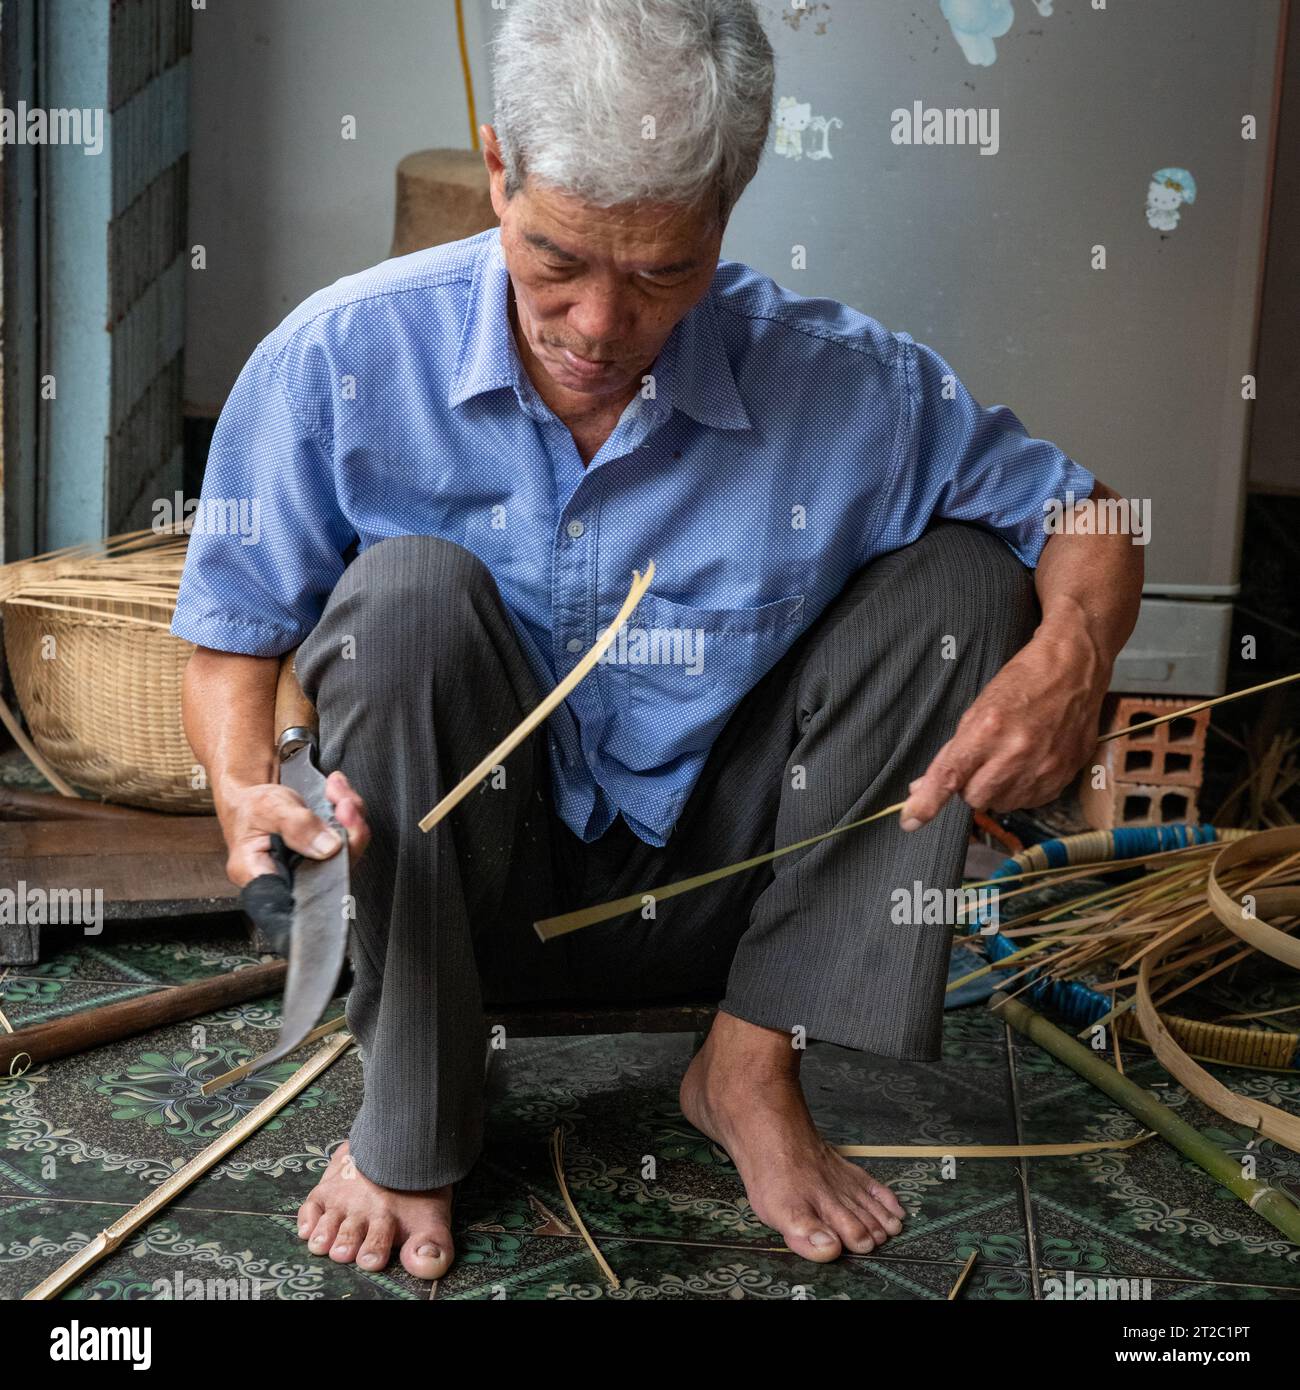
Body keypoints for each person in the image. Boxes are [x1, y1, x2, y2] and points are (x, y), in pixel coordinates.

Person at [173, 0, 1142, 1279]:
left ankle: (748, 1065)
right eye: (556, 259)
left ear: (724, 219)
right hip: (453, 892)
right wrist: (245, 790)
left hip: (720, 893)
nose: (594, 325)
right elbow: (230, 644)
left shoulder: (841, 385)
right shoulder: (339, 358)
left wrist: (1069, 655)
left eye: (659, 273)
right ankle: (411, 1111)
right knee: (405, 595)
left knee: (968, 582)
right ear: (499, 168)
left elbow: (1092, 516)